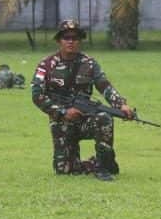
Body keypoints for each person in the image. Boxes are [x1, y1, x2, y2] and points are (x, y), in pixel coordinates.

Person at [31, 20, 135, 181]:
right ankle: (95, 162)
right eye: (66, 37)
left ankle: (102, 166)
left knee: (104, 118)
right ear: (59, 40)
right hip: (62, 122)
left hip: (86, 119)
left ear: (80, 41)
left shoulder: (89, 63)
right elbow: (37, 95)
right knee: (64, 171)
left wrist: (121, 104)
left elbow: (105, 86)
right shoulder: (46, 65)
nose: (71, 41)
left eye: (75, 38)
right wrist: (63, 112)